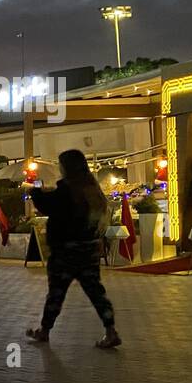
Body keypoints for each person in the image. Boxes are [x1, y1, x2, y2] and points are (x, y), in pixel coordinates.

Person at [25, 149, 121, 349]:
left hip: (65, 252)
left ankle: (44, 331)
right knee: (96, 292)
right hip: (89, 250)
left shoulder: (68, 189)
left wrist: (34, 191)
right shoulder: (92, 189)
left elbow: (49, 206)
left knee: (56, 293)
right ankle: (111, 331)